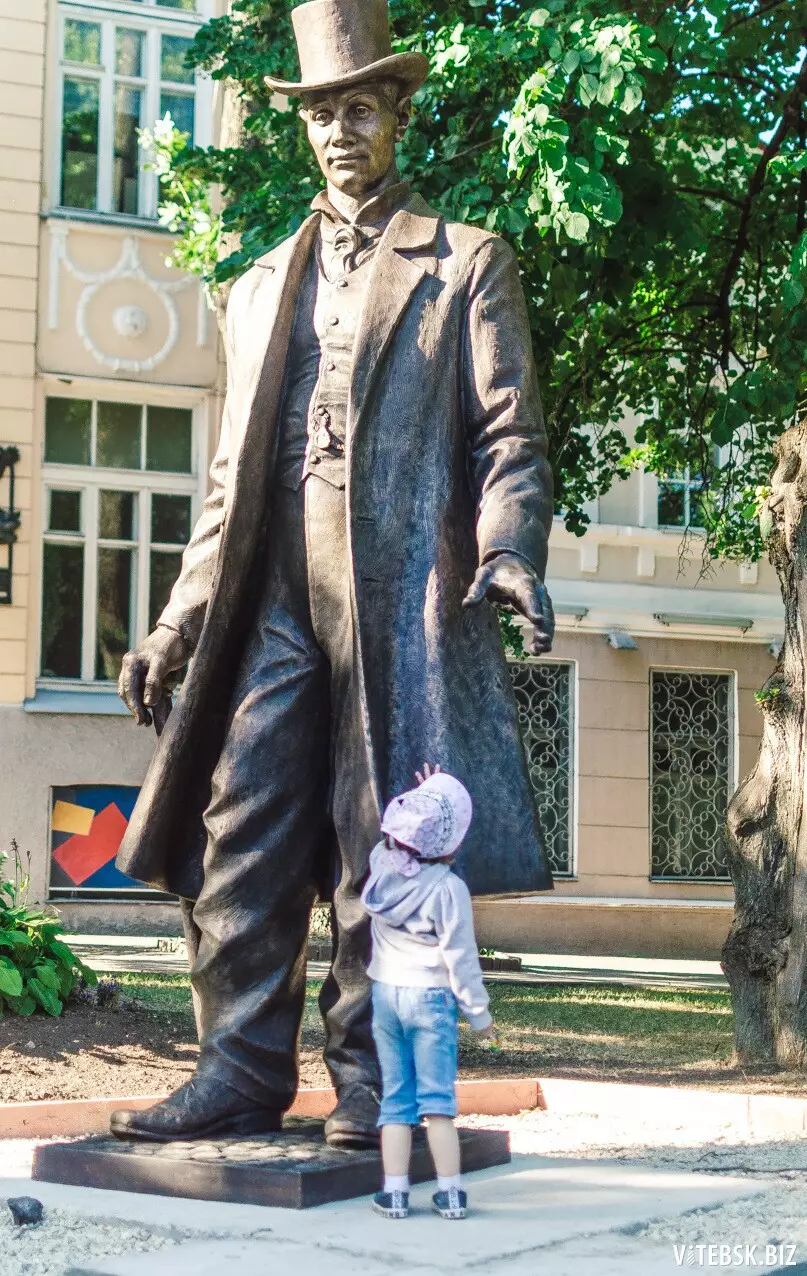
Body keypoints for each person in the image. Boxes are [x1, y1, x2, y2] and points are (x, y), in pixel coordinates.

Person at [111, 0, 553, 1151]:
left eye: (360, 106)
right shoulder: (258, 285)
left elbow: (510, 434)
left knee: (384, 843)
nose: (340, 130)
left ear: (398, 113)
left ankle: (371, 1078)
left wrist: (508, 551)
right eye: (321, 113)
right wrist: (175, 624)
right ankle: (237, 1065)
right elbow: (224, 487)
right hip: (270, 603)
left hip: (397, 596)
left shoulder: (466, 265)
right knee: (239, 829)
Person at [361, 764, 497, 1220]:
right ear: (452, 841)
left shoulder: (381, 865)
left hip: (385, 996)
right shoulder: (449, 890)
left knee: (397, 1098)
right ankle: (451, 1193)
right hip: (432, 1000)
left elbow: (403, 835)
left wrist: (424, 792)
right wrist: (480, 1016)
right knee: (437, 1101)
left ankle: (395, 1194)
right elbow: (461, 958)